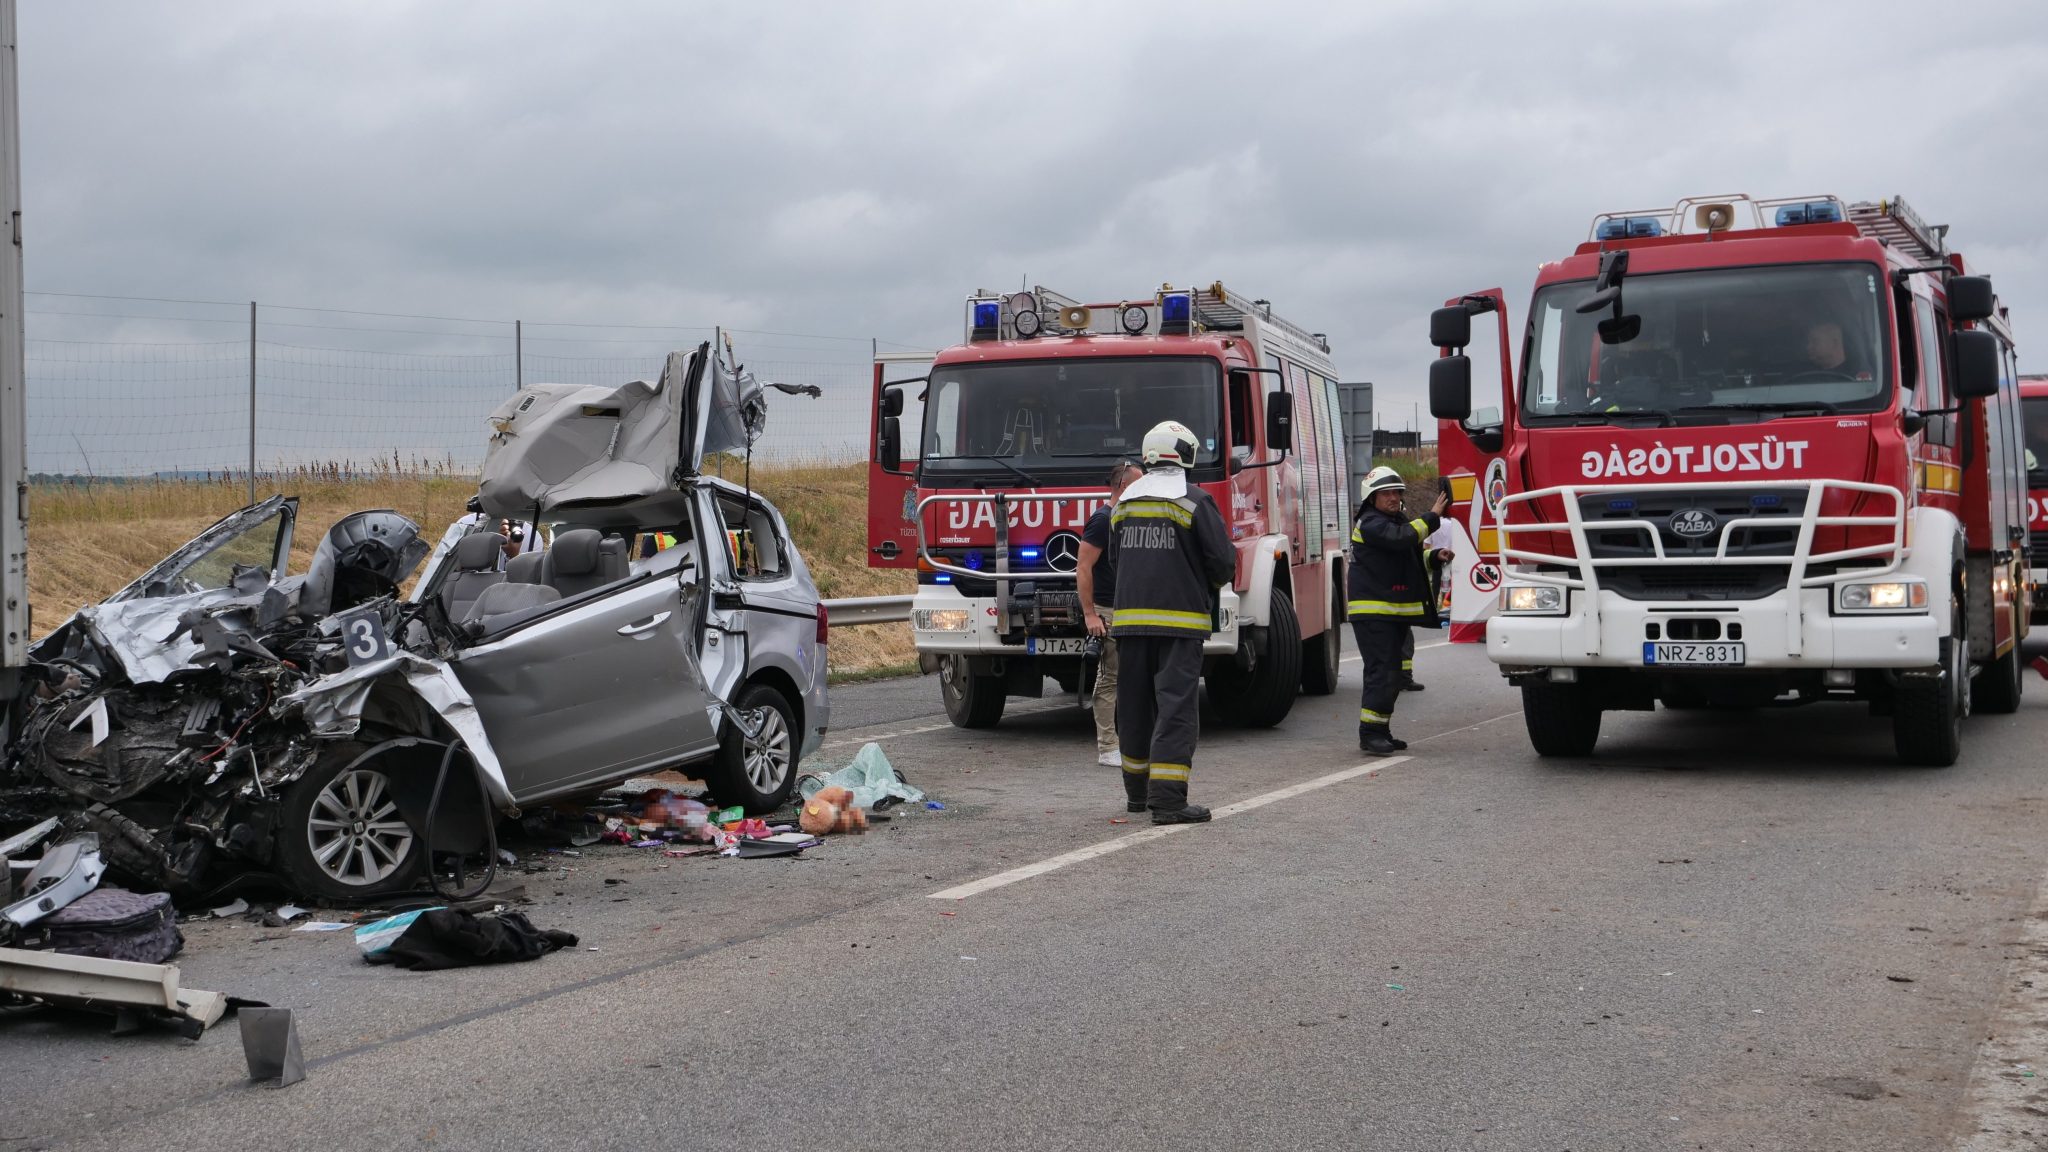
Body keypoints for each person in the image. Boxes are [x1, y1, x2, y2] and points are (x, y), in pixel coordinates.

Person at [1108, 421, 1235, 824]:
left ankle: (1137, 795)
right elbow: (1222, 563)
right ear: (1187, 456)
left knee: (1133, 708)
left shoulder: (1124, 502)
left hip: (1129, 624)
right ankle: (1168, 802)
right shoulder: (1194, 501)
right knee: (1175, 709)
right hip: (1180, 626)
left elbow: (1115, 562)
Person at [1349, 466, 1450, 754]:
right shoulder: (1370, 522)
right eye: (1386, 493)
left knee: (1392, 674)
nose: (1394, 498)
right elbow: (1400, 539)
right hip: (1374, 613)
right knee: (1381, 672)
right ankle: (1369, 733)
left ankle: (1380, 729)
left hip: (1389, 613)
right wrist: (1431, 518)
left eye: (1396, 492)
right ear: (1372, 498)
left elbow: (1406, 554)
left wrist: (1433, 556)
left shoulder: (1391, 522)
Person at [1078, 458, 1142, 768]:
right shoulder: (1103, 520)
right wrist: (1091, 615)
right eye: (1140, 482)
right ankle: (1107, 748)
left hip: (1129, 608)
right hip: (1108, 610)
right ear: (1125, 485)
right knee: (1108, 679)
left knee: (1130, 678)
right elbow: (1083, 567)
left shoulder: (1129, 517)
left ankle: (1129, 742)